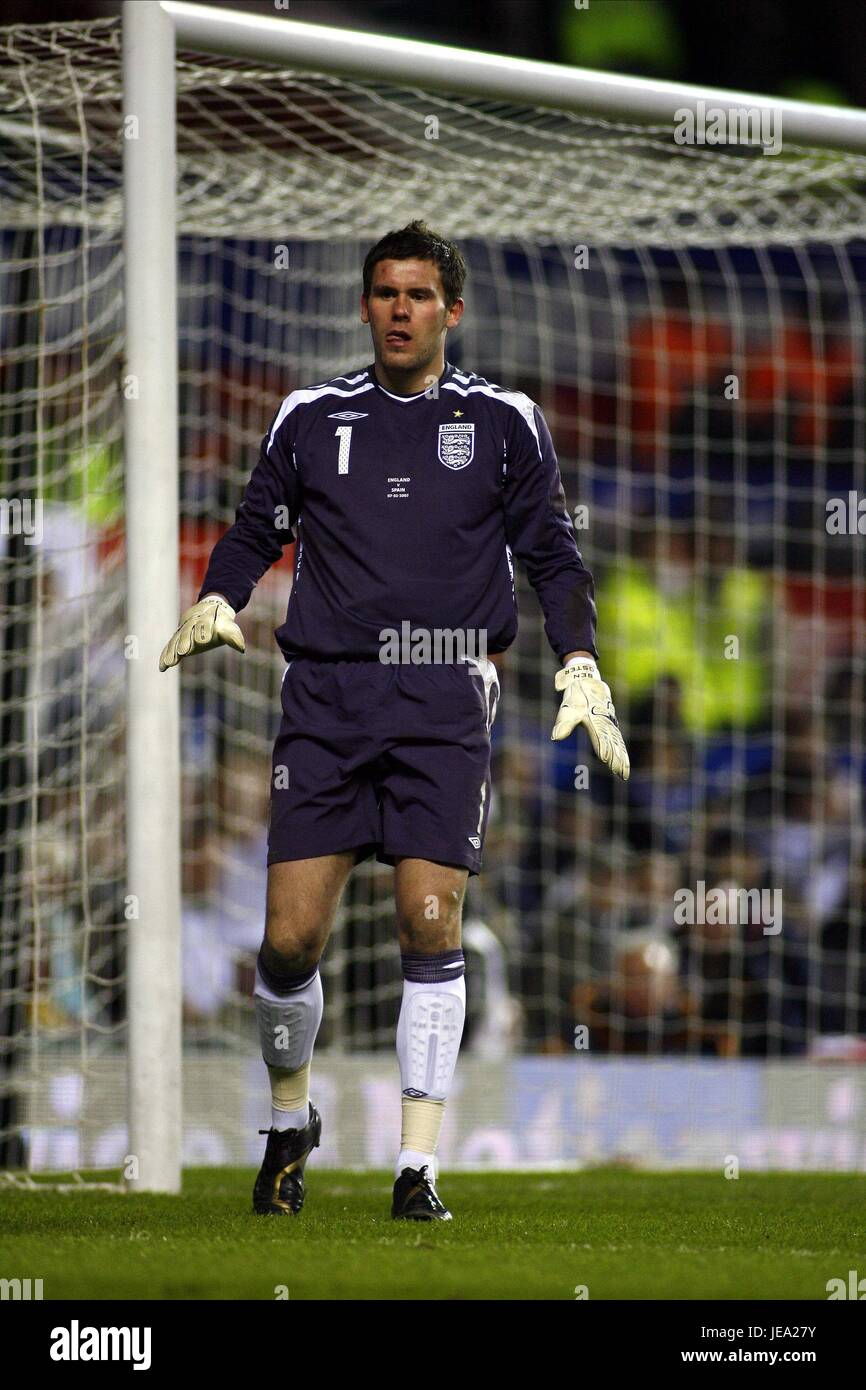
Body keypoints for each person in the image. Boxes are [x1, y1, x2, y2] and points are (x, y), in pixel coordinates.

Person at [158, 221, 629, 1221]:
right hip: (326, 697)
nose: (400, 309)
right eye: (384, 293)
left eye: (418, 294)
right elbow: (255, 525)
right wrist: (218, 595)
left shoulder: (504, 423)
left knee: (429, 920)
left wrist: (579, 658)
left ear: (452, 310)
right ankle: (290, 1122)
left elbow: (552, 556)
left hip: (443, 697)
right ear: (365, 304)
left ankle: (416, 1169)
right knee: (288, 941)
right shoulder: (307, 414)